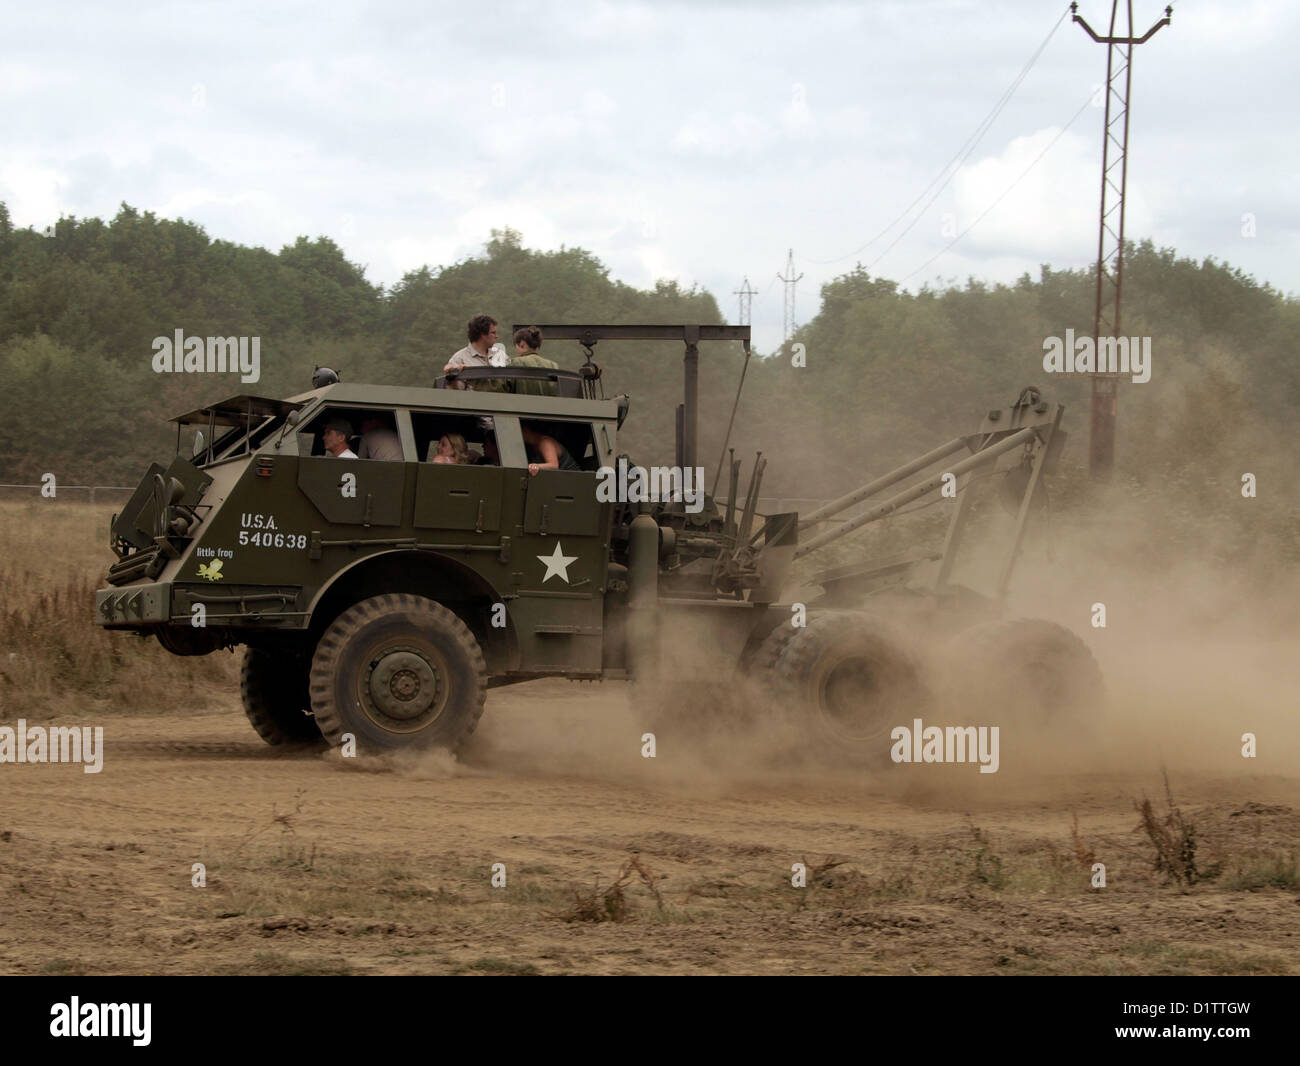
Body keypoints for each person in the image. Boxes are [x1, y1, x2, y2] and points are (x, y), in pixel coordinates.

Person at [444, 314, 507, 391]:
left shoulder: (500, 355)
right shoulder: (459, 358)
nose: (496, 336)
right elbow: (457, 391)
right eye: (493, 333)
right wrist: (454, 378)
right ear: (483, 334)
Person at [509, 326, 559, 396]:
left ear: (522, 344)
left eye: (516, 346)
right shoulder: (553, 366)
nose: (516, 350)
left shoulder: (515, 363)